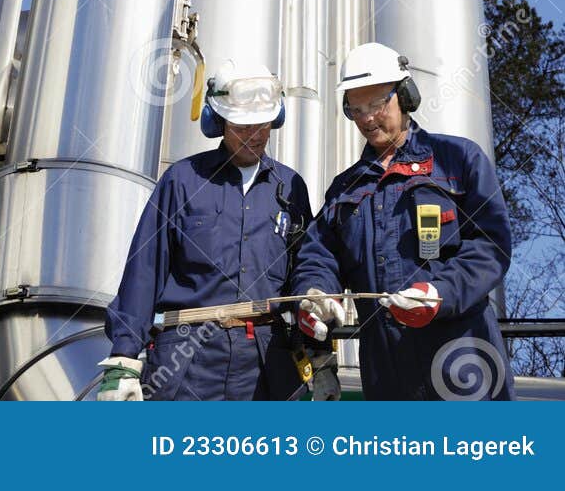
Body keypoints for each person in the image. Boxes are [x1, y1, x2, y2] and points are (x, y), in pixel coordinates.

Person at [292, 41, 514, 402]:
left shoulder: (458, 161)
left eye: (377, 104)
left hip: (465, 363)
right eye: (355, 108)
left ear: (406, 96)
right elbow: (319, 256)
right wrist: (317, 293)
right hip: (388, 375)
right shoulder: (345, 190)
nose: (366, 118)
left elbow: (490, 245)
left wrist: (442, 292)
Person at [97, 60, 321, 401]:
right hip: (186, 358)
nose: (255, 136)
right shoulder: (183, 180)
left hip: (267, 360)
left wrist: (321, 343)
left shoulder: (291, 187)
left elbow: (308, 266)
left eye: (262, 125)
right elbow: (145, 269)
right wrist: (124, 357)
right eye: (242, 127)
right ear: (218, 122)